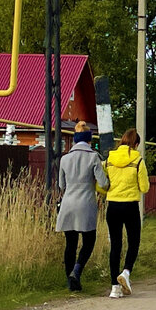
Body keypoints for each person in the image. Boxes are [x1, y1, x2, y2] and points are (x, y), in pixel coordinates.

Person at [55, 121, 109, 292]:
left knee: (70, 243)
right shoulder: (93, 157)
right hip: (86, 203)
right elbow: (104, 183)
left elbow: (61, 185)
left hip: (68, 204)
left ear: (75, 140)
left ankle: (69, 279)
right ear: (89, 140)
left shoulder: (64, 159)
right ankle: (77, 271)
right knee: (89, 240)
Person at [105, 128, 150, 299]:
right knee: (134, 241)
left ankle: (114, 288)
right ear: (136, 144)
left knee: (115, 245)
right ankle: (126, 272)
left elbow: (102, 183)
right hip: (130, 205)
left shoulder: (110, 158)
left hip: (113, 206)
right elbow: (144, 187)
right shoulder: (138, 160)